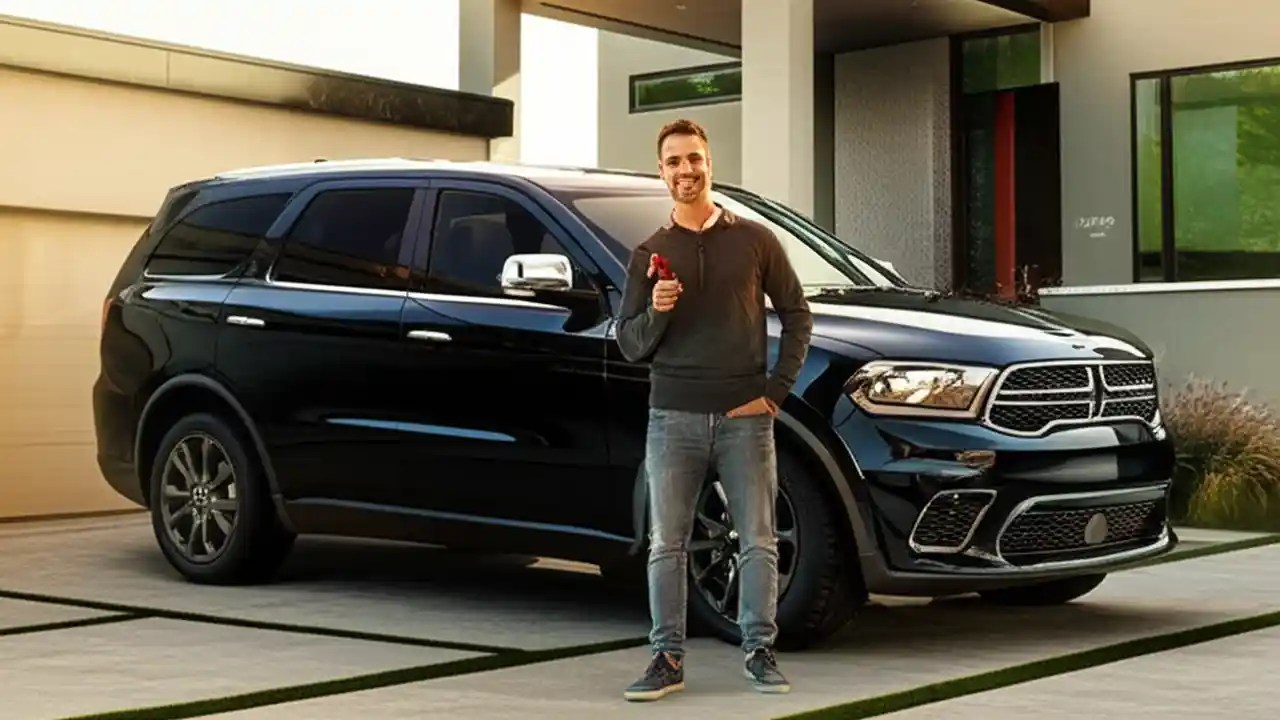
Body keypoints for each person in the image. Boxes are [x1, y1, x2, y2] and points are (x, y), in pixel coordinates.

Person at [616, 118, 813, 701]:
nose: (686, 170)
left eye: (695, 159)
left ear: (710, 163)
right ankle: (666, 658)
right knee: (666, 543)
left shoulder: (755, 240)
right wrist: (657, 309)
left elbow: (798, 315)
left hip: (744, 415)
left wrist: (775, 393)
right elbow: (630, 344)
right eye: (674, 161)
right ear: (661, 172)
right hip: (671, 415)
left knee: (757, 538)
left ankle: (759, 650)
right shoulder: (649, 254)